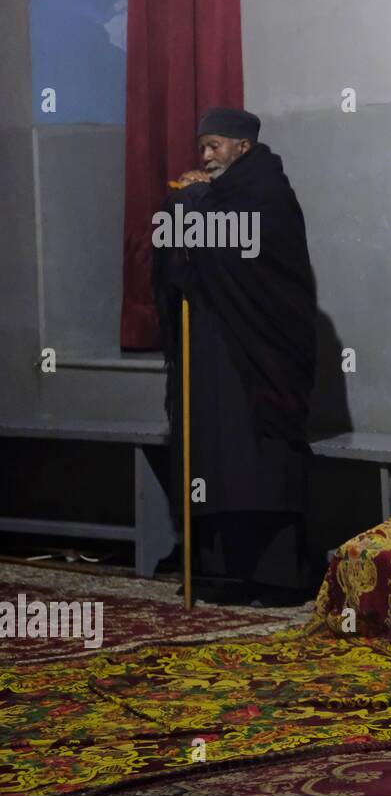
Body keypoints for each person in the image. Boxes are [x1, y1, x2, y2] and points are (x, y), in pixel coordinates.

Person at [152, 107, 318, 606]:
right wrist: (182, 207)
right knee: (217, 460)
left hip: (258, 360)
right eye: (201, 147)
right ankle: (223, 568)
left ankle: (279, 577)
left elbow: (242, 249)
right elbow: (173, 243)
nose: (205, 156)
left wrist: (192, 205)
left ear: (242, 147)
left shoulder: (267, 191)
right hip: (211, 356)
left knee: (257, 465)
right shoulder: (214, 195)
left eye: (215, 146)